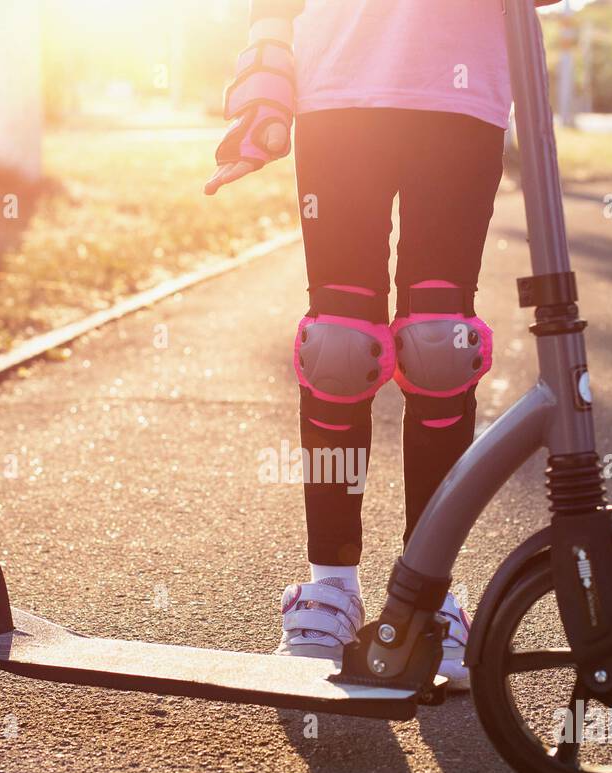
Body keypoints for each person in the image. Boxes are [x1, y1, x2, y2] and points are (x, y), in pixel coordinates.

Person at [205, 0, 511, 685]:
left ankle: (427, 599)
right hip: (337, 87)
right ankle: (331, 586)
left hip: (462, 94)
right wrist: (268, 49)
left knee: (442, 346)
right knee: (337, 350)